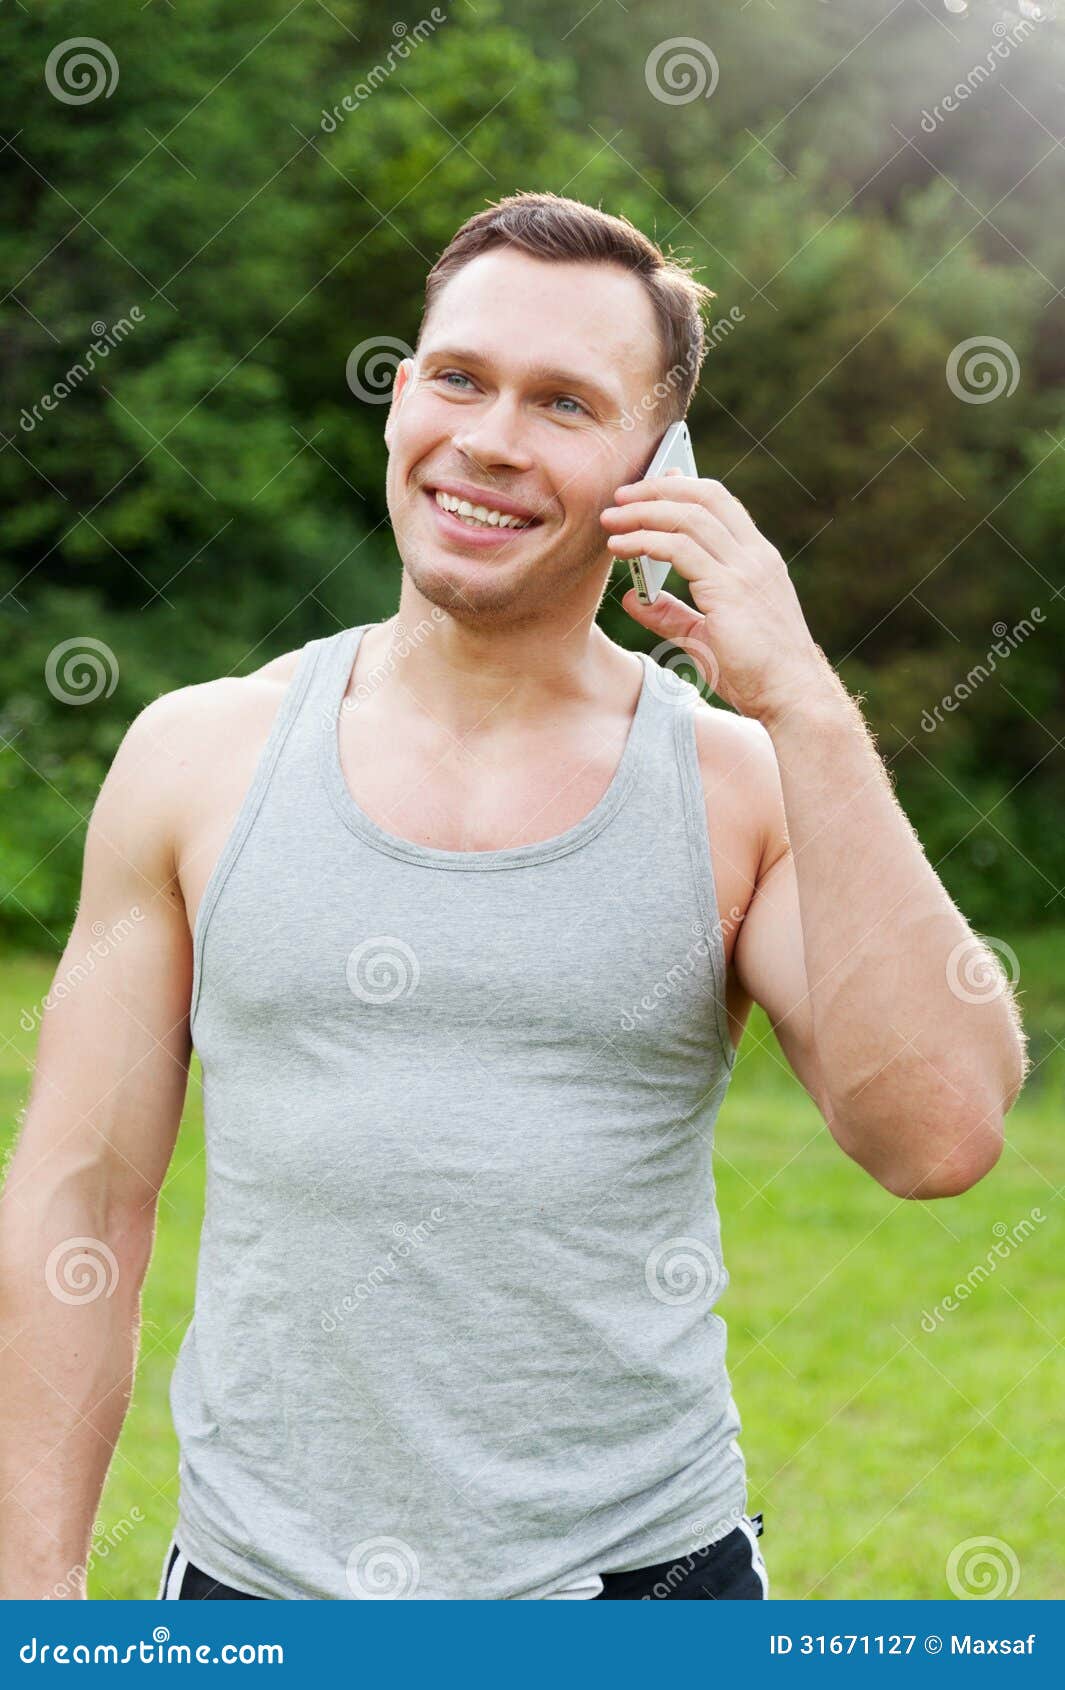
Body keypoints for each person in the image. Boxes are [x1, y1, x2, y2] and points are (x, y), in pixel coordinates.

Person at [0, 192, 1027, 1602]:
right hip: (257, 1598)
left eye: (563, 402)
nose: (487, 437)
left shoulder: (738, 788)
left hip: (643, 1598)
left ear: (652, 468)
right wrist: (30, 1596)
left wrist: (804, 706)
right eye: (458, 376)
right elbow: (79, 1199)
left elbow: (939, 1132)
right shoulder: (195, 756)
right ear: (398, 396)